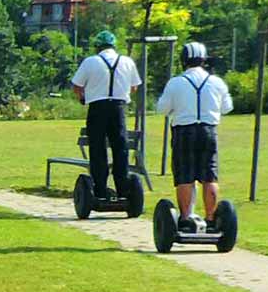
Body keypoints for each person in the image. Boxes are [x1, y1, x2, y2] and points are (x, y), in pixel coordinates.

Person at [157, 41, 234, 233]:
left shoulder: (176, 83)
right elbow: (227, 108)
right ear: (203, 60)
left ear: (184, 60)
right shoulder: (216, 82)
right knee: (209, 175)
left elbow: (162, 109)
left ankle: (185, 218)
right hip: (208, 131)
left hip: (184, 131)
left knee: (185, 176)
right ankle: (210, 219)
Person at [71, 28, 140, 200]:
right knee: (120, 148)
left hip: (97, 107)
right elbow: (134, 86)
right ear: (114, 46)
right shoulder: (127, 62)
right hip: (118, 108)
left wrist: (83, 97)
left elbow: (77, 86)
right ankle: (123, 188)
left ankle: (100, 189)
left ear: (98, 47)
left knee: (98, 149)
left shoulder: (90, 61)